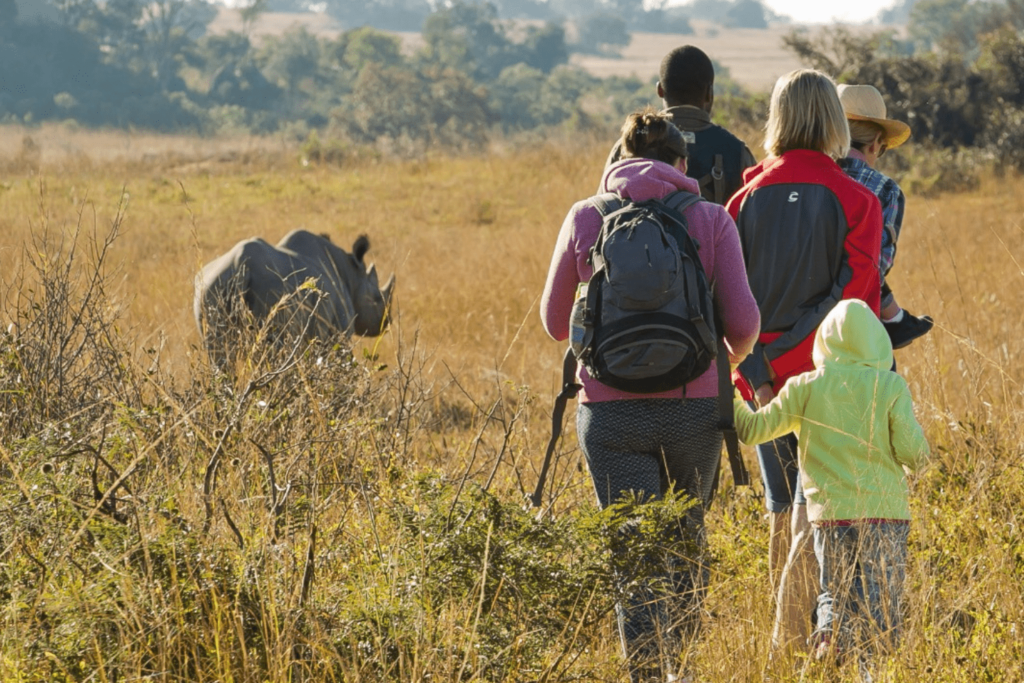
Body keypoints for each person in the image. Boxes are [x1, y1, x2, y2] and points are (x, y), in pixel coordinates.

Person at [542, 108, 760, 682]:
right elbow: (743, 326)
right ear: (683, 164)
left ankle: (644, 673)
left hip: (610, 417)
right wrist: (721, 357)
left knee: (634, 558)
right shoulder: (710, 217)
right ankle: (681, 670)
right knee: (685, 543)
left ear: (619, 158)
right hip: (695, 410)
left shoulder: (585, 215)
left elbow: (554, 322)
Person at [724, 69, 884, 652]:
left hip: (759, 384)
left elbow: (727, 306)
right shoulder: (860, 200)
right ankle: (798, 641)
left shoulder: (740, 202)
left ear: (778, 117)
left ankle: (786, 647)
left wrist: (760, 374)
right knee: (817, 512)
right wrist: (791, 366)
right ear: (834, 120)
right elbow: (854, 303)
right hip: (830, 386)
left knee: (783, 507)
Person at [733, 299, 930, 668]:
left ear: (823, 340)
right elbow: (914, 454)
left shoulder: (805, 386)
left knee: (834, 592)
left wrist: (729, 390)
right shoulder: (890, 386)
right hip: (885, 514)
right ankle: (872, 671)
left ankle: (829, 635)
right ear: (877, 342)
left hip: (829, 516)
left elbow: (752, 430)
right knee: (881, 601)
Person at [837, 83, 933, 350]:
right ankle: (897, 320)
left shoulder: (804, 177)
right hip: (855, 325)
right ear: (875, 143)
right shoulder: (886, 190)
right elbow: (876, 267)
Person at [603, 45, 756, 205]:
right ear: (709, 93)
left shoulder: (630, 144)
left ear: (660, 90)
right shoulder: (738, 152)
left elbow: (603, 210)